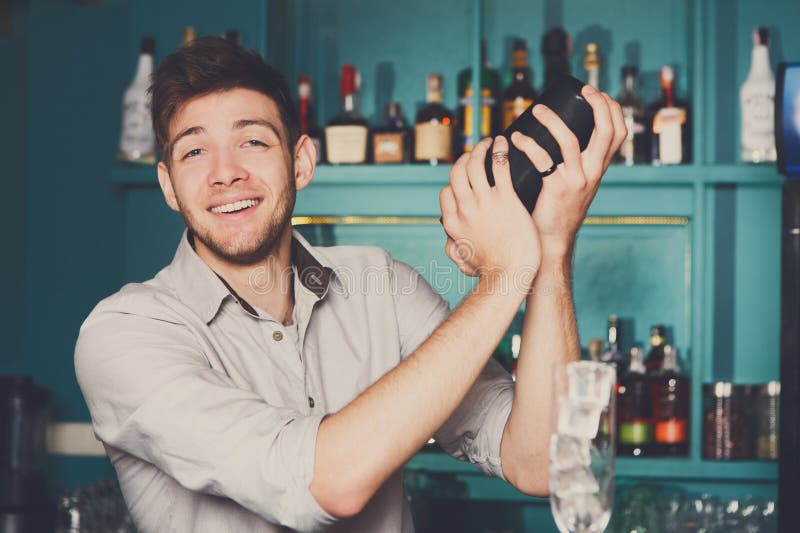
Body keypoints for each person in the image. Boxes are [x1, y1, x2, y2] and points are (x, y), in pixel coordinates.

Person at [75, 36, 626, 533]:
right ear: (169, 185)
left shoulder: (379, 284)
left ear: (302, 162)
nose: (225, 172)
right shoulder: (123, 335)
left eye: (253, 142)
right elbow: (325, 482)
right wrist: (505, 279)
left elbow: (539, 462)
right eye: (194, 151)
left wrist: (551, 251)